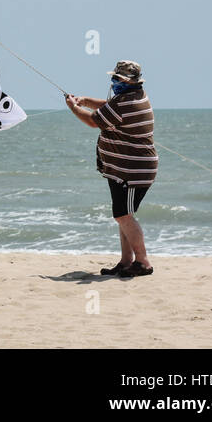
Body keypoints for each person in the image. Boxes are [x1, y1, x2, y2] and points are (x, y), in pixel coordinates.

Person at [65, 60, 156, 277]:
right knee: (122, 214)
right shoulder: (128, 97)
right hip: (120, 169)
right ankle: (126, 262)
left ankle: (143, 262)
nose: (115, 82)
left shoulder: (127, 103)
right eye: (114, 78)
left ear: (130, 82)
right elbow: (107, 107)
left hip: (133, 171)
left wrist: (74, 107)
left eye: (119, 79)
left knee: (123, 215)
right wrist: (86, 100)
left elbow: (93, 121)